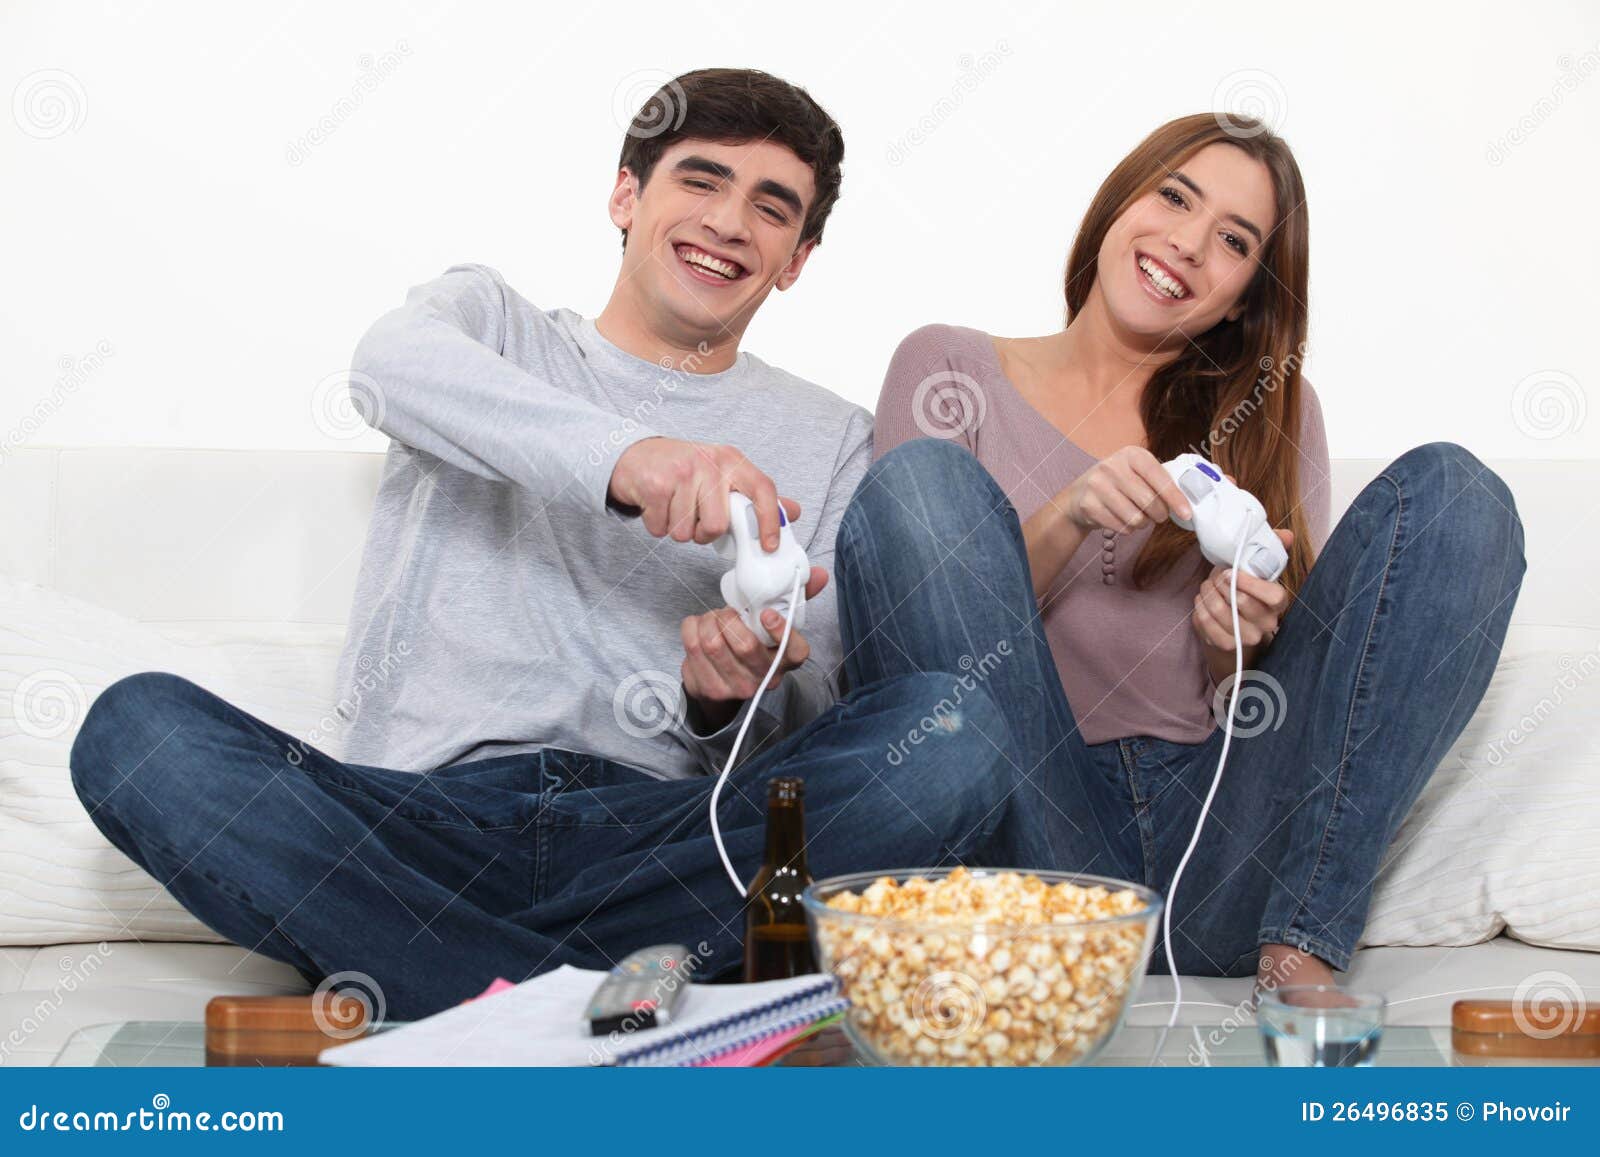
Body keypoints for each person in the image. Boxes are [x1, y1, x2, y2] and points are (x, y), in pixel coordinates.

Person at [68, 69, 1031, 1020]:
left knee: (956, 734)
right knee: (139, 733)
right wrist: (632, 459)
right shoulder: (490, 324)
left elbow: (815, 702)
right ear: (625, 196)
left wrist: (726, 697)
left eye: (771, 208)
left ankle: (470, 993)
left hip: (670, 842)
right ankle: (589, 1009)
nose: (730, 222)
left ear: (796, 259)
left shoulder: (836, 437)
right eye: (701, 180)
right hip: (417, 828)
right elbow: (385, 368)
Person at [840, 112, 1526, 994]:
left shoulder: (1274, 412)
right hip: (1036, 830)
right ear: (1119, 203)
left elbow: (1293, 708)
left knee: (1458, 495)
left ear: (1244, 296)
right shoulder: (949, 370)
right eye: (1174, 197)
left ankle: (1302, 943)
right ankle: (1044, 935)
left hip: (1223, 848)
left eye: (1234, 241)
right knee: (921, 483)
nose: (1189, 244)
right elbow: (912, 630)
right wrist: (1068, 516)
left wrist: (1232, 644)